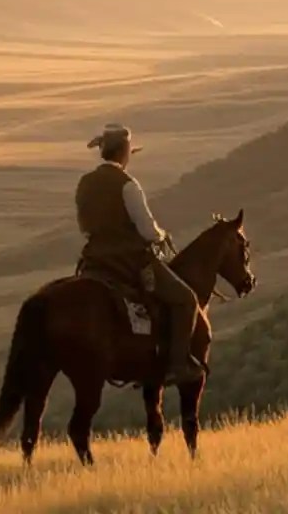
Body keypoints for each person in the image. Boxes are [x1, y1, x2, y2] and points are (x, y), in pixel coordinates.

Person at [75, 124, 205, 384]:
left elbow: (83, 226)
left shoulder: (85, 183)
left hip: (95, 260)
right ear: (124, 152)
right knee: (186, 300)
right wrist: (161, 235)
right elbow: (146, 230)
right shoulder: (128, 185)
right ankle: (176, 366)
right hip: (128, 260)